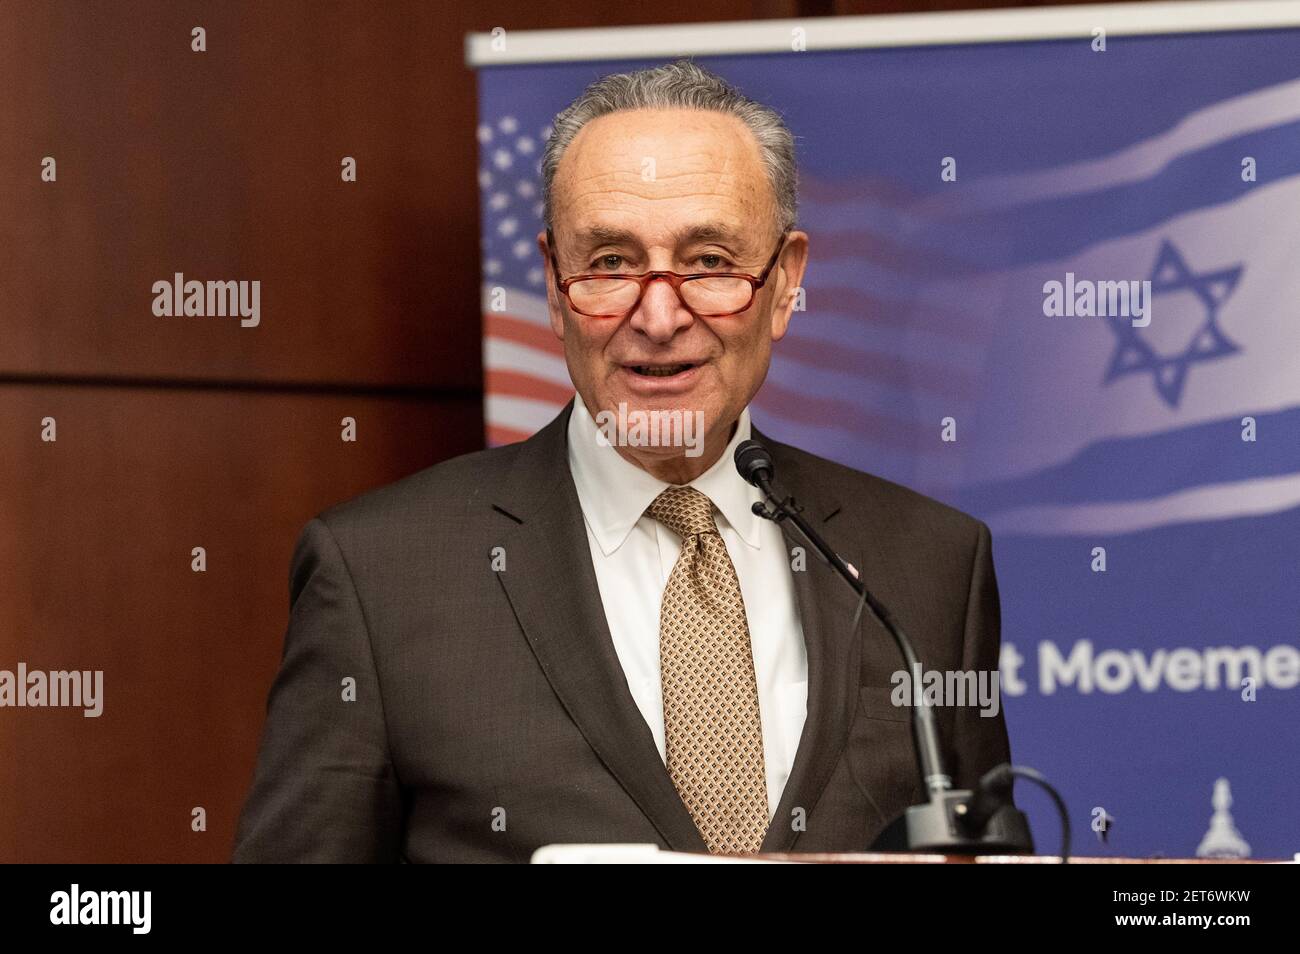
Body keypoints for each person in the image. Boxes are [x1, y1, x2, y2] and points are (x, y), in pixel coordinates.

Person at [233, 59, 1009, 863]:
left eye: (709, 260)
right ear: (551, 280)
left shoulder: (929, 566)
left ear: (785, 284)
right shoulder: (379, 573)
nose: (661, 314)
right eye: (610, 263)